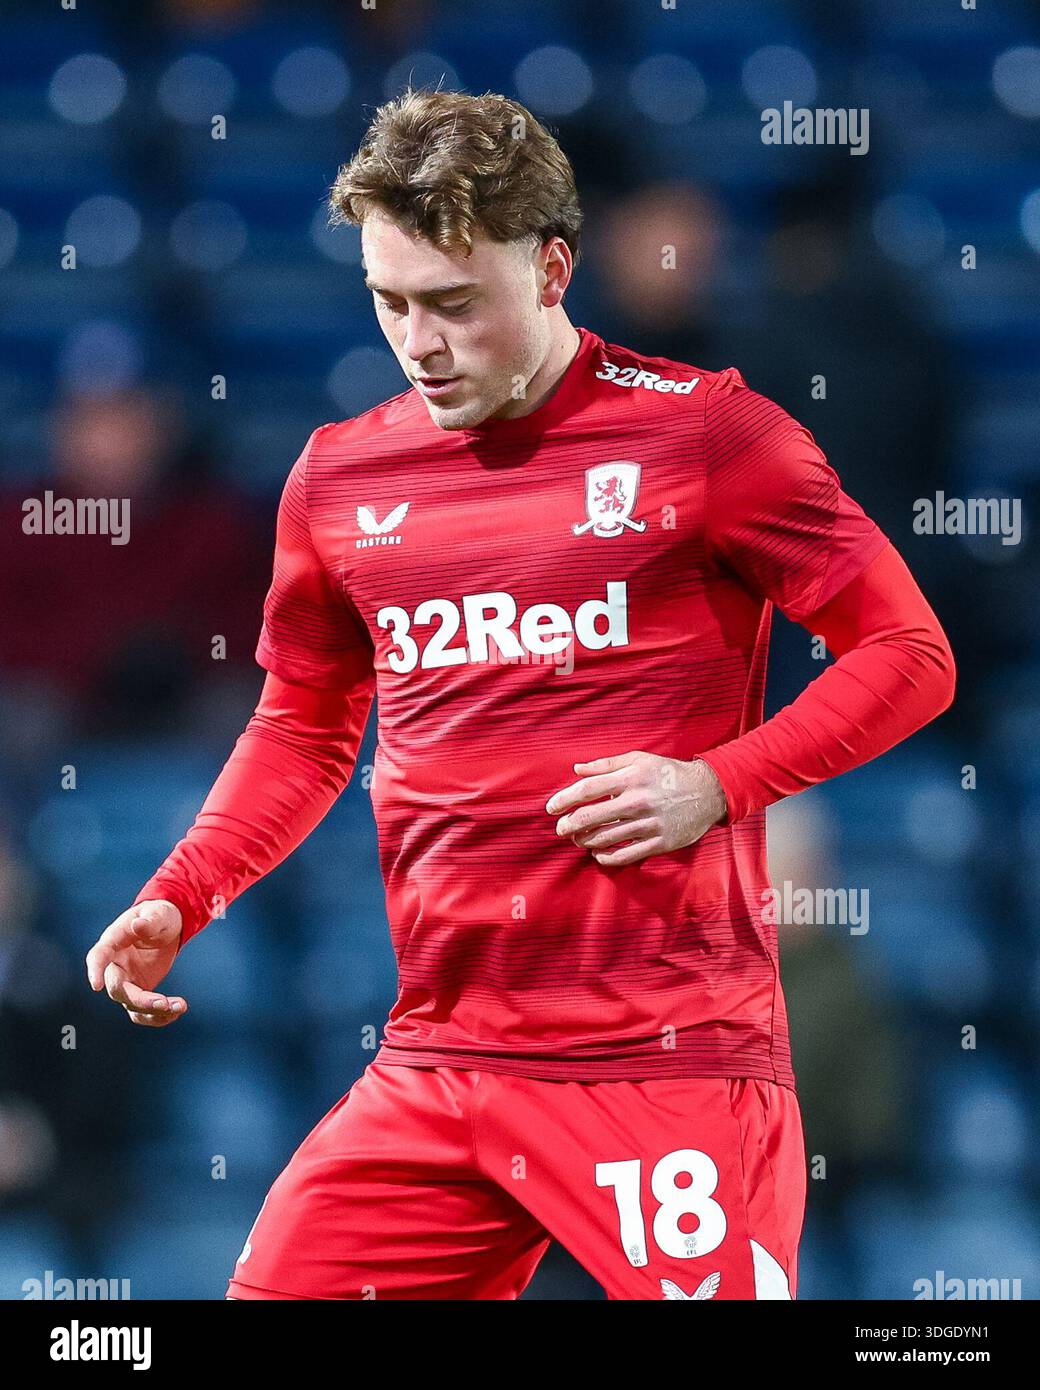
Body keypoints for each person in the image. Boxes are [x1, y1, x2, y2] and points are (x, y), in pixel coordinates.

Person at [85, 89, 955, 1301]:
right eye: (389, 303)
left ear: (552, 267)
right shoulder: (338, 478)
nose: (419, 343)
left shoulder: (709, 440)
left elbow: (909, 653)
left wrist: (718, 783)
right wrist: (185, 891)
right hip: (440, 1060)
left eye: (452, 304)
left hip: (666, 1064)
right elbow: (303, 725)